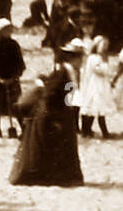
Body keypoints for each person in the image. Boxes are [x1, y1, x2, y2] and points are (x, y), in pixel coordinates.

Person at [10, 49, 84, 186]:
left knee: (62, 146)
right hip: (50, 115)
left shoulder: (70, 72)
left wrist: (68, 111)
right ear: (73, 59)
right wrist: (55, 117)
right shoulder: (63, 73)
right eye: (80, 58)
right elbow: (50, 96)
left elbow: (68, 95)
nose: (81, 61)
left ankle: (63, 177)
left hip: (60, 114)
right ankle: (51, 178)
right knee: (48, 148)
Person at [77, 36, 118, 137]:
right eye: (103, 45)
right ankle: (100, 132)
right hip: (94, 86)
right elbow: (99, 70)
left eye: (106, 46)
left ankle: (87, 131)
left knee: (96, 109)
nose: (104, 48)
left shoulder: (100, 58)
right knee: (95, 108)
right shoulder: (93, 58)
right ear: (96, 45)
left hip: (101, 86)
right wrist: (106, 68)